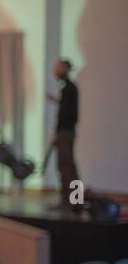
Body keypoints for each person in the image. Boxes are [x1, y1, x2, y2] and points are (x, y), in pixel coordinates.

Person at [47, 59, 80, 210]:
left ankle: (69, 201)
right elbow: (68, 110)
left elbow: (66, 115)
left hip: (65, 133)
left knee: (65, 167)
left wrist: (57, 134)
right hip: (67, 132)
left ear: (65, 69)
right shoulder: (69, 89)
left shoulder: (68, 89)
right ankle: (76, 200)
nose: (55, 70)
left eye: (58, 67)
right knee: (70, 167)